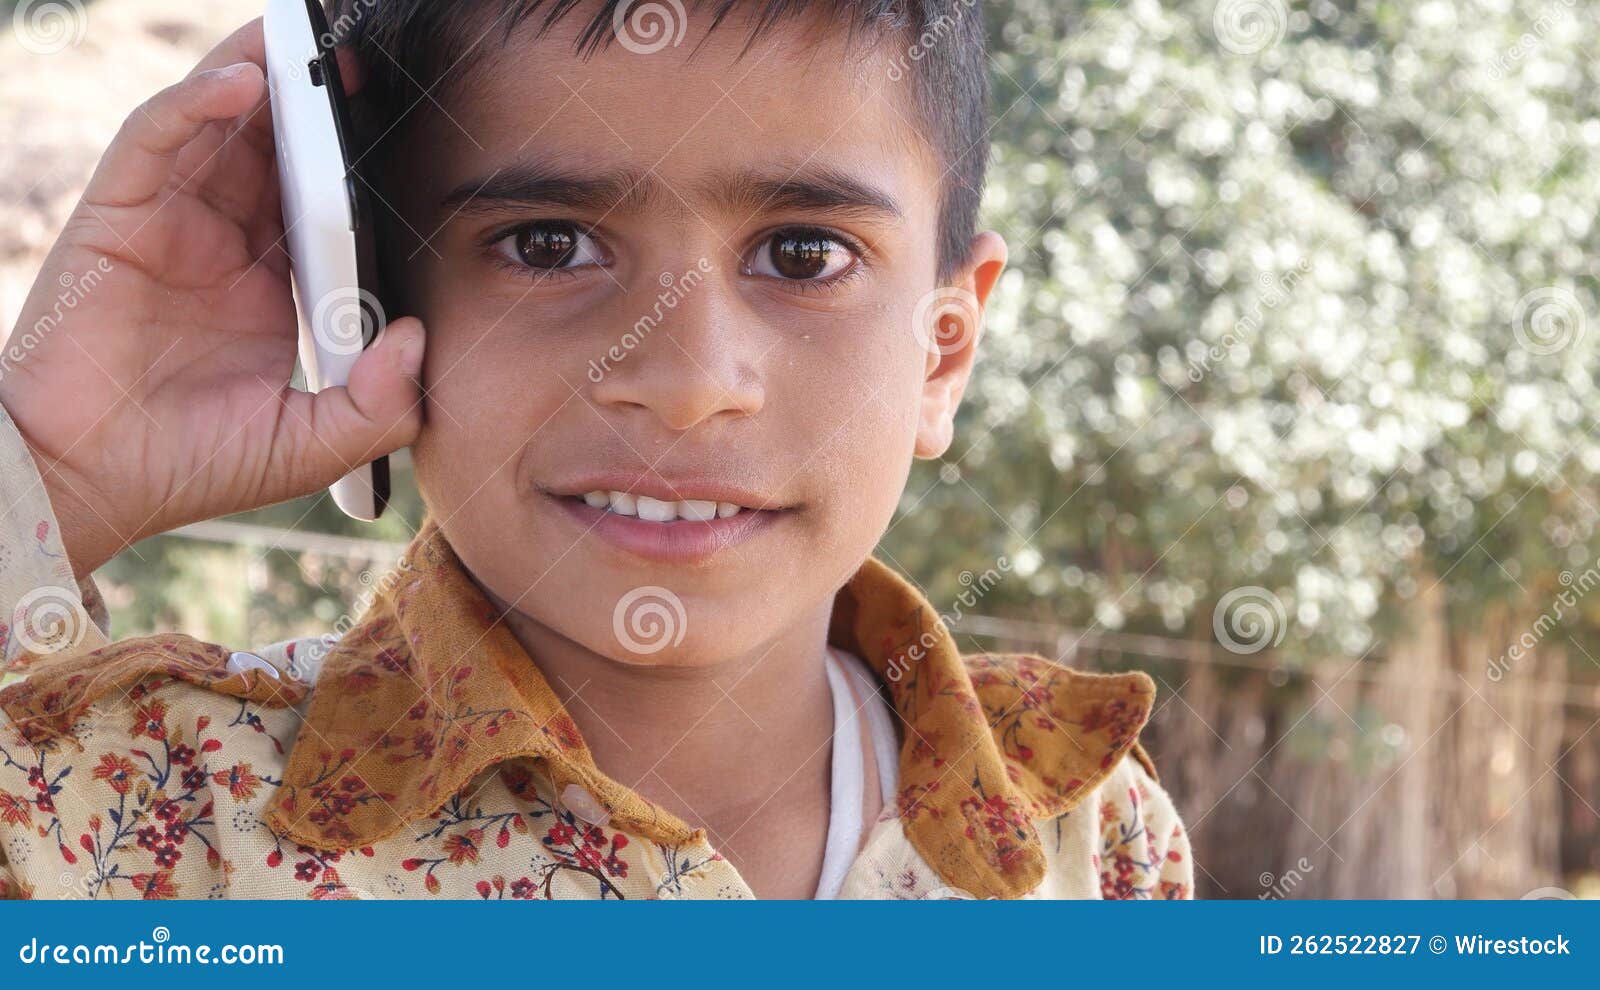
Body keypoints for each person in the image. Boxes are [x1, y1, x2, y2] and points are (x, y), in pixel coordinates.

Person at [0, 1, 1191, 900]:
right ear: (363, 304)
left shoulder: (1086, 828)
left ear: (941, 355)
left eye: (802, 255)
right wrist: (59, 470)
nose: (685, 386)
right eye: (550, 242)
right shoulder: (151, 803)